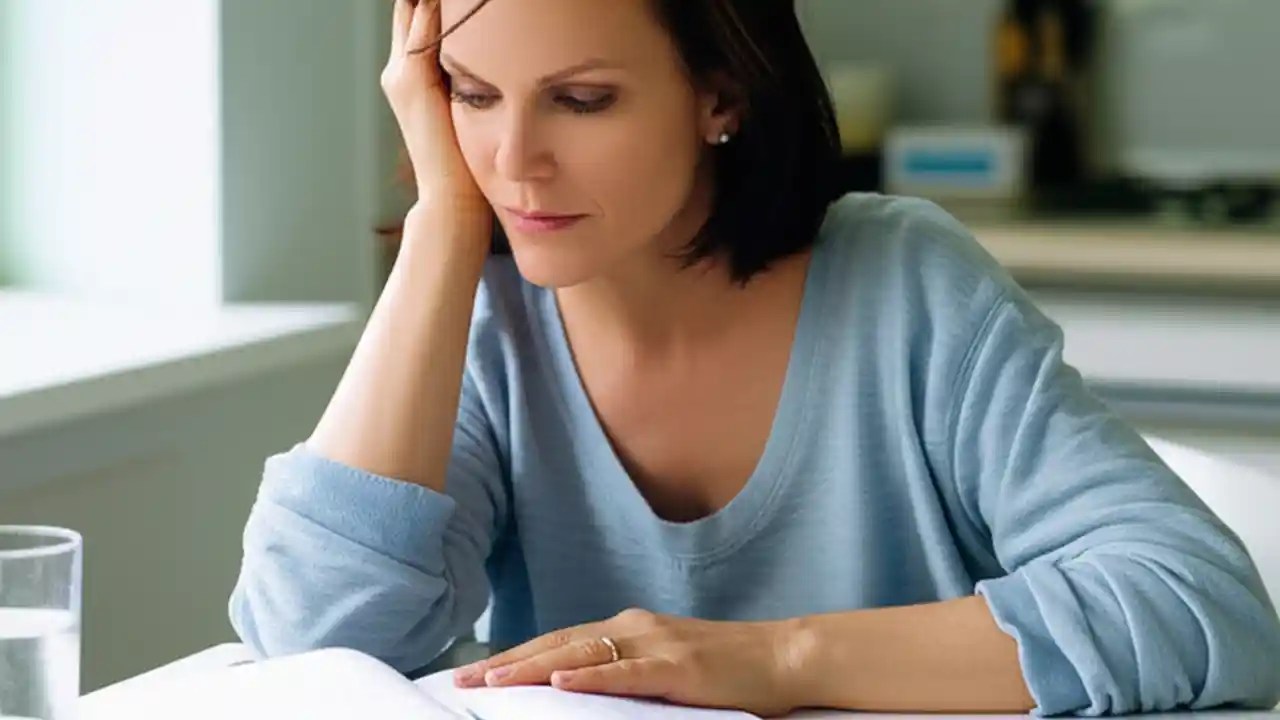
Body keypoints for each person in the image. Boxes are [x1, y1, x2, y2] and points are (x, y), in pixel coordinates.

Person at [228, 0, 1280, 716]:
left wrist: (773, 659)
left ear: (720, 95)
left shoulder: (904, 286)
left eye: (581, 99)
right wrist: (441, 231)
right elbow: (316, 640)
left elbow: (1197, 604)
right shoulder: (486, 320)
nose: (511, 162)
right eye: (468, 93)